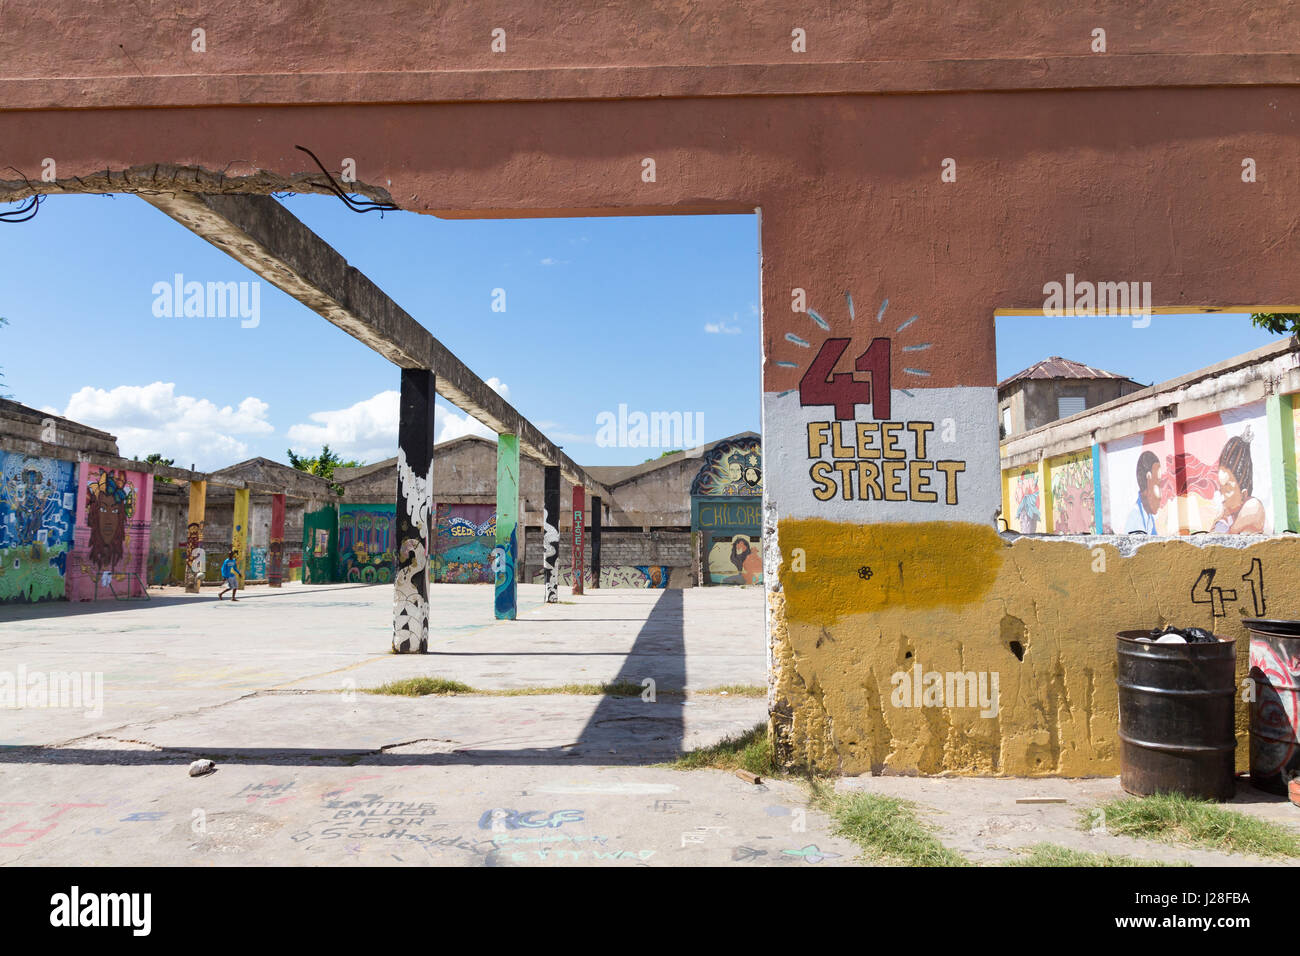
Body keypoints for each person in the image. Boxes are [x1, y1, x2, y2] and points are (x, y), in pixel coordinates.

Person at [1213, 430, 1266, 533]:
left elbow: (1223, 540)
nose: (1222, 498)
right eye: (1221, 489)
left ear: (1244, 493)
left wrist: (1221, 517)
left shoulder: (1253, 506)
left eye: (1227, 489)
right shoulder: (1231, 513)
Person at [1125, 451, 1162, 534]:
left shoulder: (1148, 518)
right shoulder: (1136, 518)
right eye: (1158, 484)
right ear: (1149, 478)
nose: (1160, 496)